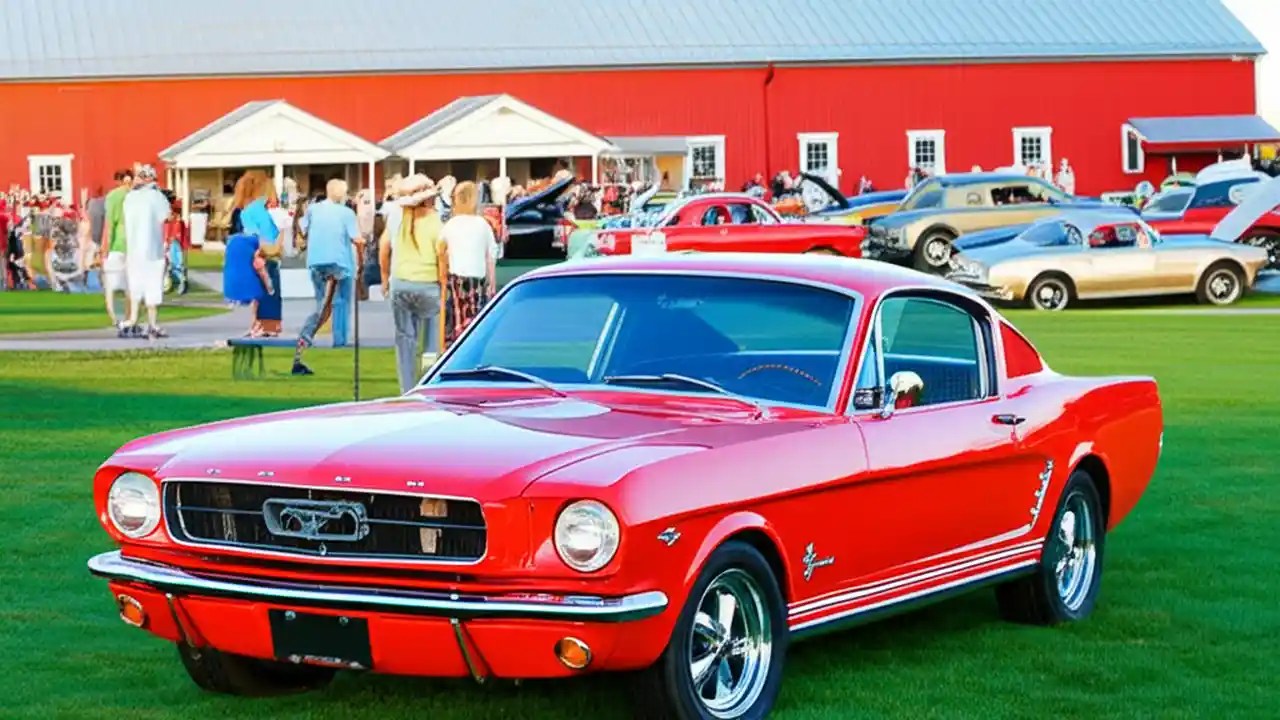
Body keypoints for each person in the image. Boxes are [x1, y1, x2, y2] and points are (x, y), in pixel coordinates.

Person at [380, 174, 444, 393]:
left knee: (405, 341)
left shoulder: (396, 217)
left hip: (401, 282)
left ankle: (406, 389)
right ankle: (428, 387)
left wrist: (385, 278)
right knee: (431, 344)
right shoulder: (436, 221)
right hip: (428, 284)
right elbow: (441, 257)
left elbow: (384, 249)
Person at [293, 178, 363, 376]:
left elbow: (302, 228)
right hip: (340, 262)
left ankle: (308, 335)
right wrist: (362, 258)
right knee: (341, 301)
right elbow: (356, 238)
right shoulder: (347, 213)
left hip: (316, 260)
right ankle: (339, 339)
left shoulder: (314, 209)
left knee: (321, 302)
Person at [440, 180, 497, 349]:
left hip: (456, 279)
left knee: (456, 323)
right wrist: (492, 283)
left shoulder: (451, 225)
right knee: (477, 324)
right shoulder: (483, 224)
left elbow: (440, 249)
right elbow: (491, 256)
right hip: (477, 279)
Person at [121, 165, 171, 339]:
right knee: (153, 286)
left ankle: (132, 320)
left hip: (133, 250)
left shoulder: (129, 198)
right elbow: (165, 218)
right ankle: (152, 324)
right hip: (152, 249)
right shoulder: (157, 197)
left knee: (135, 285)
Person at [102, 169, 133, 330]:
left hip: (117, 245)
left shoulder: (113, 196)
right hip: (133, 245)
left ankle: (115, 317)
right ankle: (129, 318)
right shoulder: (136, 196)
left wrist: (104, 247)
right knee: (130, 285)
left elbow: (109, 224)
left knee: (111, 285)